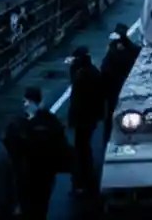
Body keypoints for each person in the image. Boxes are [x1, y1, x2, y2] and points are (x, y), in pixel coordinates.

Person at [4, 87, 71, 220]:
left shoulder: (19, 123)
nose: (25, 104)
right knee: (38, 206)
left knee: (34, 205)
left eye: (28, 101)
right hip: (39, 174)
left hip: (34, 173)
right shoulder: (50, 121)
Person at [66, 46, 104, 194]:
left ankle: (82, 179)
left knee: (80, 148)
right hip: (91, 117)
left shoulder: (81, 76)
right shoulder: (94, 72)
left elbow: (76, 94)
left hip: (82, 118)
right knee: (84, 146)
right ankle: (87, 176)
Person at [100, 23, 141, 143]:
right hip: (116, 84)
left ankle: (108, 138)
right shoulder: (121, 48)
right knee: (114, 111)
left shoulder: (115, 48)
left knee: (110, 113)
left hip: (112, 84)